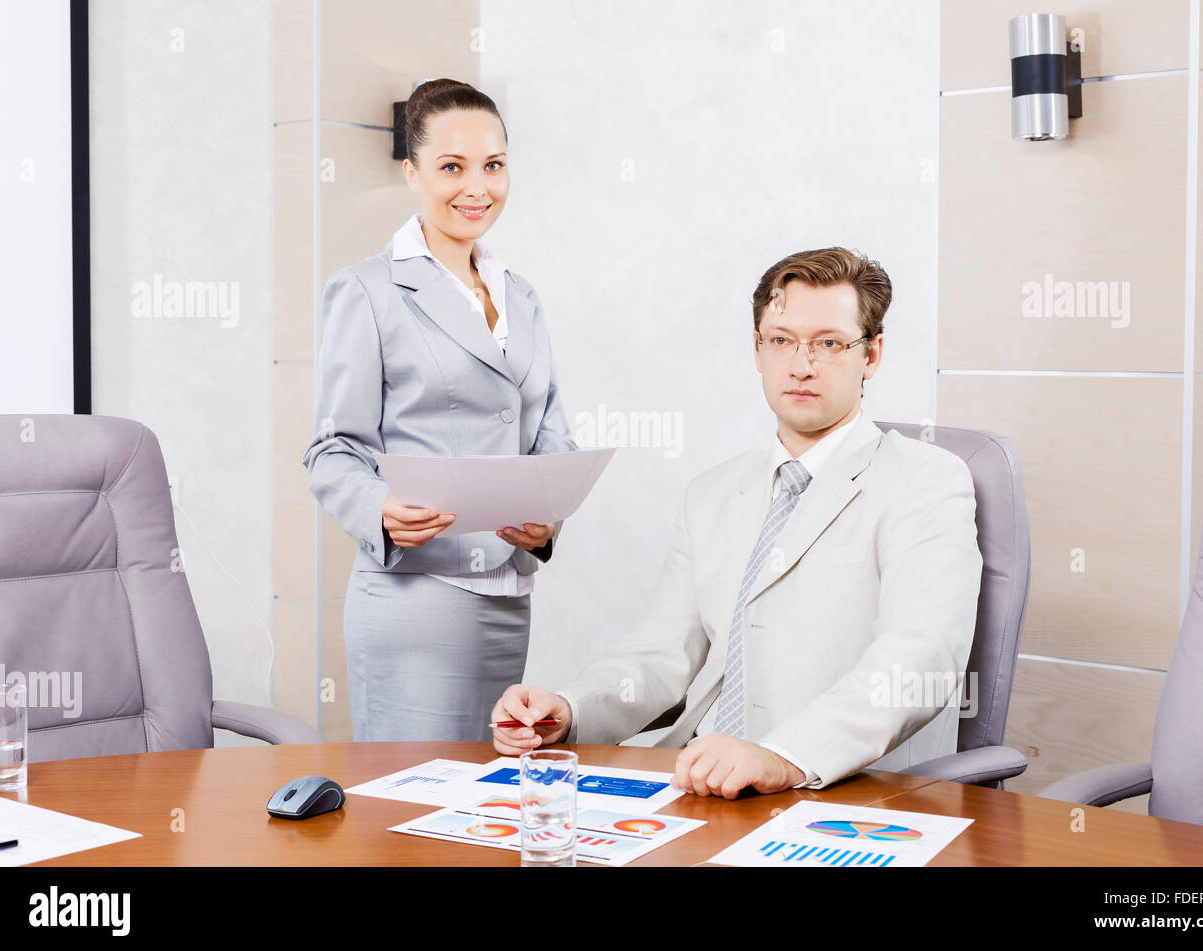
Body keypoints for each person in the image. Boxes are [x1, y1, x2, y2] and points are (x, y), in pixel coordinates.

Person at [491, 247, 982, 797]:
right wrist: (570, 709)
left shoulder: (926, 480)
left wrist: (786, 757)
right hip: (696, 783)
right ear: (757, 350)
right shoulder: (711, 494)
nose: (802, 365)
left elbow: (919, 659)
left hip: (838, 788)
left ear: (871, 355)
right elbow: (661, 652)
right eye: (781, 340)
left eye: (829, 343)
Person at [303, 79, 578, 742]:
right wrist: (379, 513)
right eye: (452, 167)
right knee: (414, 813)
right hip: (416, 600)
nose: (475, 187)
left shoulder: (521, 294)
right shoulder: (367, 290)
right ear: (412, 172)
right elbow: (333, 450)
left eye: (493, 165)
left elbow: (549, 433)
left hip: (508, 598)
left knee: (486, 815)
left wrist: (546, 520)